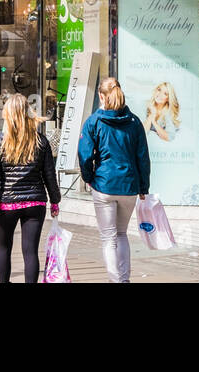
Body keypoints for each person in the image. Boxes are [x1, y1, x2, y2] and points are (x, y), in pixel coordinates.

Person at [0, 93, 59, 283]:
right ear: (27, 113)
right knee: (30, 251)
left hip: (7, 204)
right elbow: (49, 175)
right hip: (35, 203)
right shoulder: (40, 141)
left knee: (4, 248)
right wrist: (55, 201)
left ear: (7, 113)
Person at [78, 78, 150, 283]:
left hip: (104, 186)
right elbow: (143, 157)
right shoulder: (135, 122)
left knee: (108, 238)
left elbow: (84, 156)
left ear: (101, 96)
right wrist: (143, 186)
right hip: (129, 187)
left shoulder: (94, 122)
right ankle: (124, 279)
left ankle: (115, 280)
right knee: (121, 234)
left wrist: (89, 178)